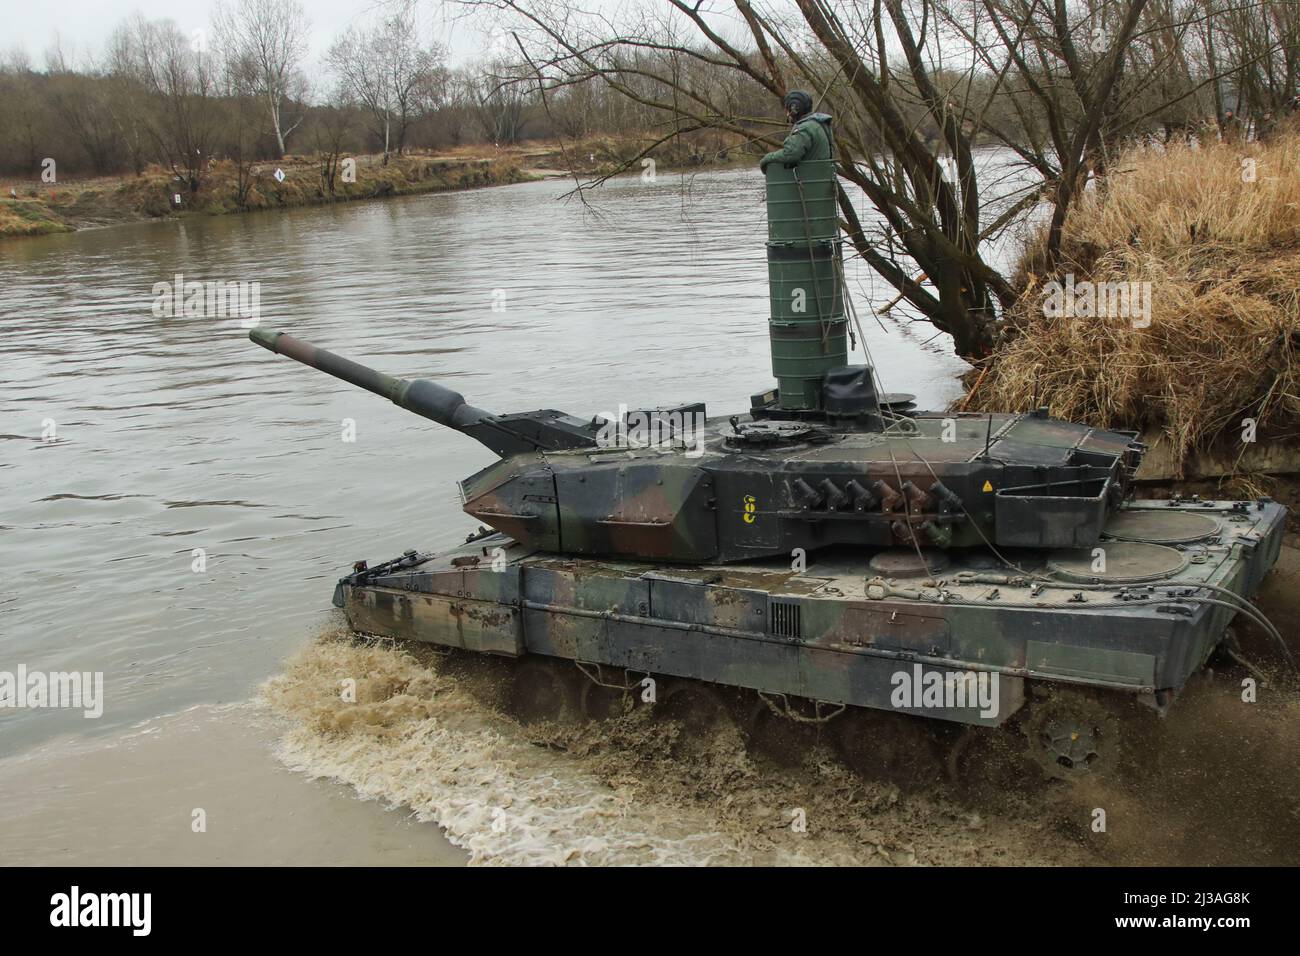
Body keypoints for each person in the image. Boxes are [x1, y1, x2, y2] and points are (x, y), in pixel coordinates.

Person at [760, 90, 834, 172]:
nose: (787, 114)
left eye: (788, 110)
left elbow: (790, 154)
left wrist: (767, 159)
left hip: (809, 180)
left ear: (794, 109)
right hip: (821, 177)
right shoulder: (819, 124)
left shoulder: (805, 128)